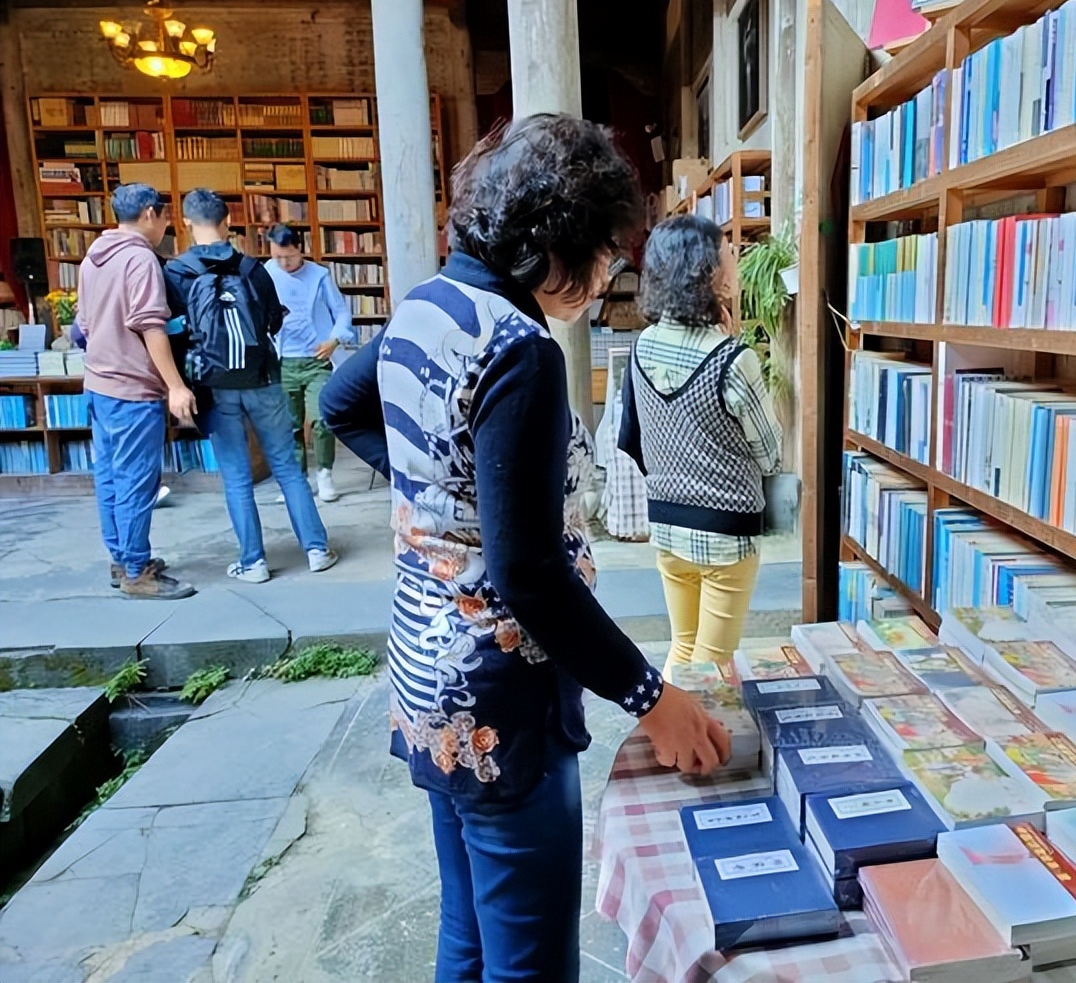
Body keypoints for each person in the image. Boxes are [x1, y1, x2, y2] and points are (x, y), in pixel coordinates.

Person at [322, 114, 730, 983]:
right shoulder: (523, 352)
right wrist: (652, 698)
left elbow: (341, 404)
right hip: (501, 698)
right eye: (604, 251)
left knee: (469, 929)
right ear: (557, 243)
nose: (606, 271)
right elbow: (530, 574)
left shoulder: (429, 305)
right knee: (531, 960)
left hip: (423, 674)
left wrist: (439, 504)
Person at [618, 215, 782, 677]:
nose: (735, 258)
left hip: (668, 526)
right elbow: (771, 453)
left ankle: (668, 746)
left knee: (684, 646)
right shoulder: (733, 358)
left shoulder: (642, 346)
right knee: (713, 667)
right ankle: (692, 748)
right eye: (728, 251)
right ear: (706, 271)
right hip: (727, 533)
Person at [164, 188, 338, 584]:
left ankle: (253, 562)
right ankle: (316, 549)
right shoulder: (252, 269)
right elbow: (274, 321)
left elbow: (170, 331)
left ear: (187, 222)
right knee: (287, 467)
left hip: (213, 385)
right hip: (263, 378)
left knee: (237, 475)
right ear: (228, 223)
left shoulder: (177, 272)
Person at [77, 183, 196, 600]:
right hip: (131, 389)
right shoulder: (140, 259)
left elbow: (84, 326)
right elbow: (150, 325)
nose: (166, 225)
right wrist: (175, 386)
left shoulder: (94, 256)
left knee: (109, 477)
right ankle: (137, 572)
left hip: (97, 383)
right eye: (165, 216)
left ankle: (121, 559)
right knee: (136, 482)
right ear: (149, 213)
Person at [264, 223, 355, 502]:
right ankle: (297, 480)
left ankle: (324, 474)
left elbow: (341, 312)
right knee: (288, 425)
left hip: (317, 358)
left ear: (300, 249)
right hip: (282, 361)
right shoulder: (266, 273)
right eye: (277, 256)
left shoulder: (319, 275)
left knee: (322, 418)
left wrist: (335, 340)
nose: (283, 262)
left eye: (288, 256)